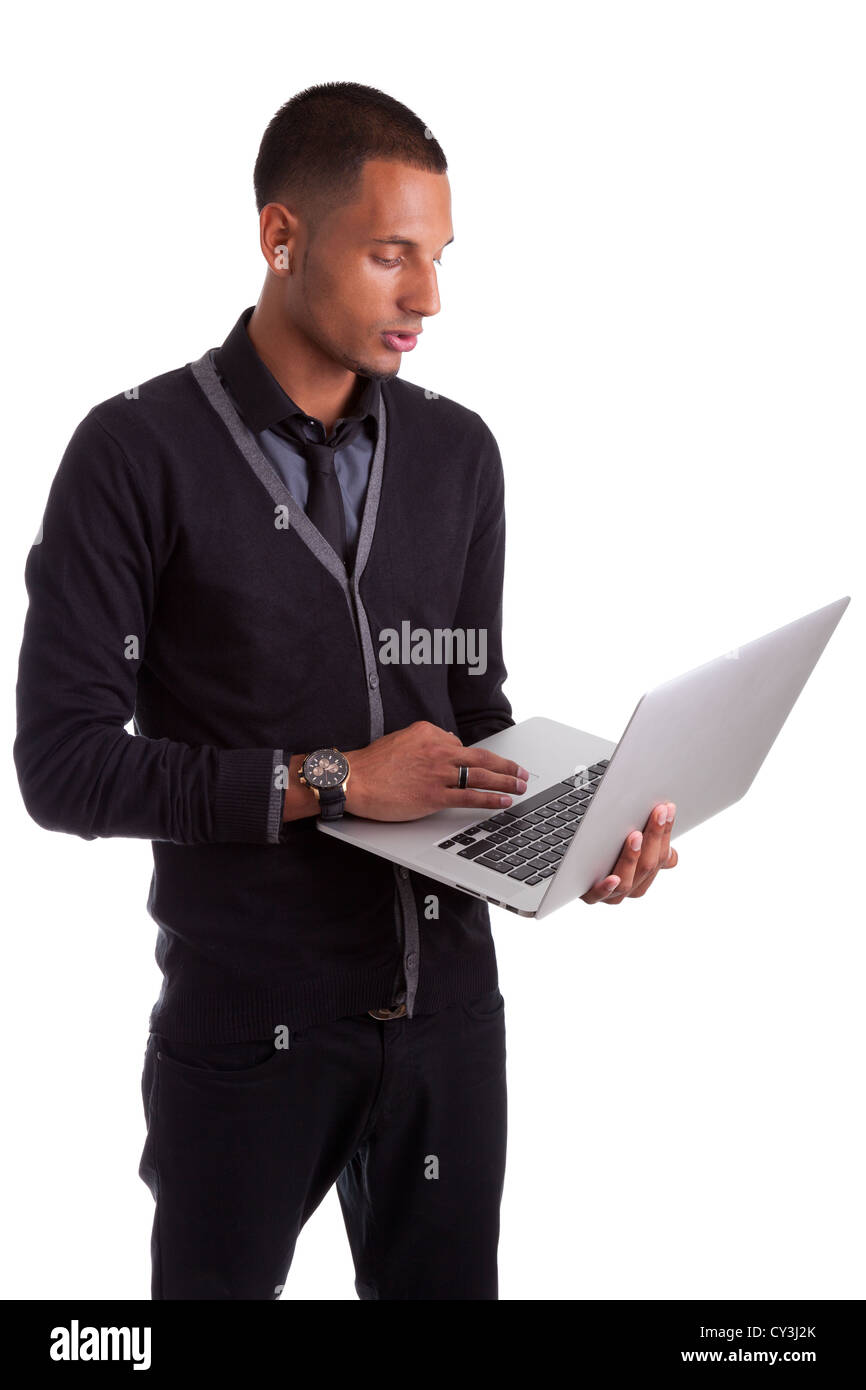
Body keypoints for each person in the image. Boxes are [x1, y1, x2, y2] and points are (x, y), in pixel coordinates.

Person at [13, 81, 678, 1301]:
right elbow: (62, 765)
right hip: (243, 1034)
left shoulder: (458, 451)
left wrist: (579, 829)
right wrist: (331, 779)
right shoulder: (132, 454)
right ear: (281, 237)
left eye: (436, 258)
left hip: (448, 1025)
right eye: (391, 256)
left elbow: (471, 711)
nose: (428, 298)